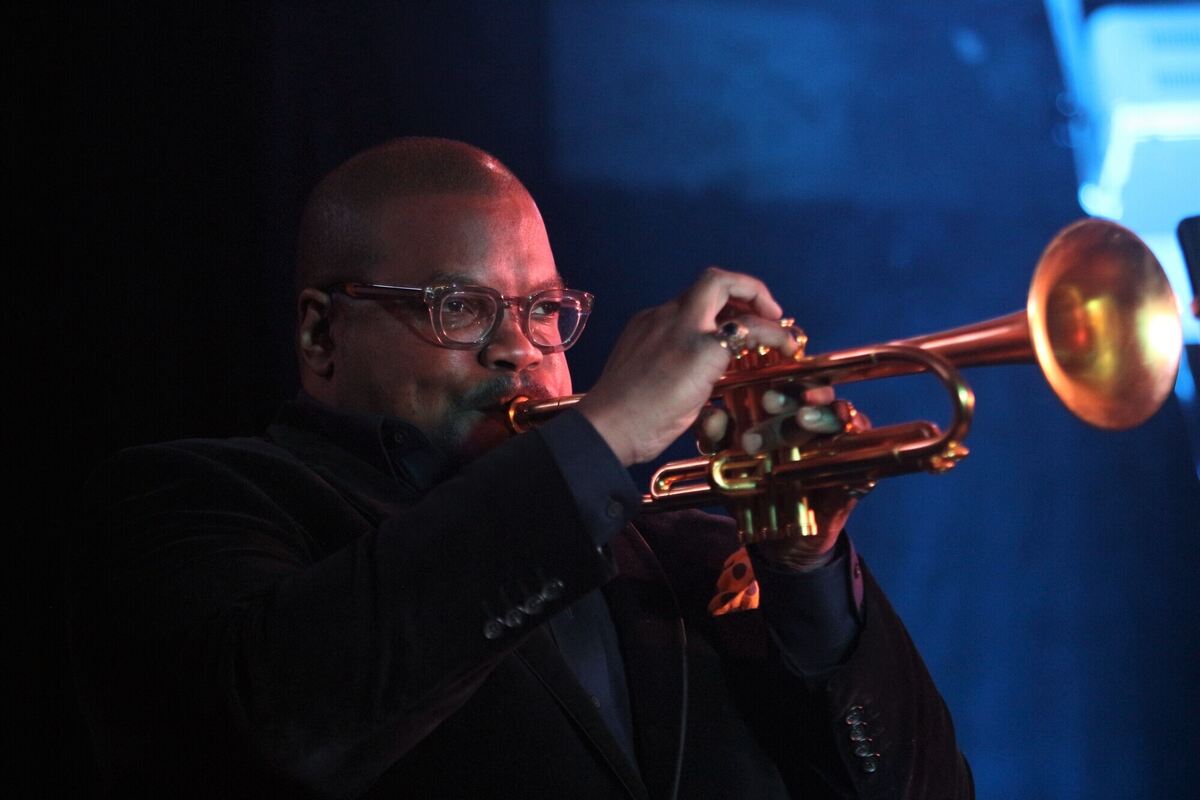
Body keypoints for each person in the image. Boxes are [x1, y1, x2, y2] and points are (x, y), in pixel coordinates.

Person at [68, 137, 972, 798]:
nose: (520, 350)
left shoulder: (691, 556)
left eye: (544, 310)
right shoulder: (197, 498)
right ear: (320, 334)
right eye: (460, 307)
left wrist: (807, 570)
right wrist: (606, 433)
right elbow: (271, 733)